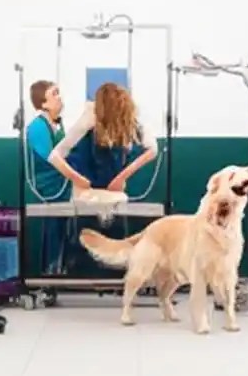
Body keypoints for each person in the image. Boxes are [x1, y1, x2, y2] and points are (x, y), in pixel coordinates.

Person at [48, 82, 158, 192]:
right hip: (87, 185)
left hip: (112, 183)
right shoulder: (89, 118)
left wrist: (122, 177)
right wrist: (78, 179)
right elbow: (54, 157)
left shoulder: (128, 119)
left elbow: (153, 150)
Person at [24, 80, 71, 274]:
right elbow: (52, 157)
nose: (60, 97)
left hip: (62, 183)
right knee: (53, 227)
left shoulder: (57, 126)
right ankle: (51, 270)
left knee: (62, 228)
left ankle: (60, 267)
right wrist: (75, 176)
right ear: (43, 103)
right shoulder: (37, 127)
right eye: (55, 93)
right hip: (49, 187)